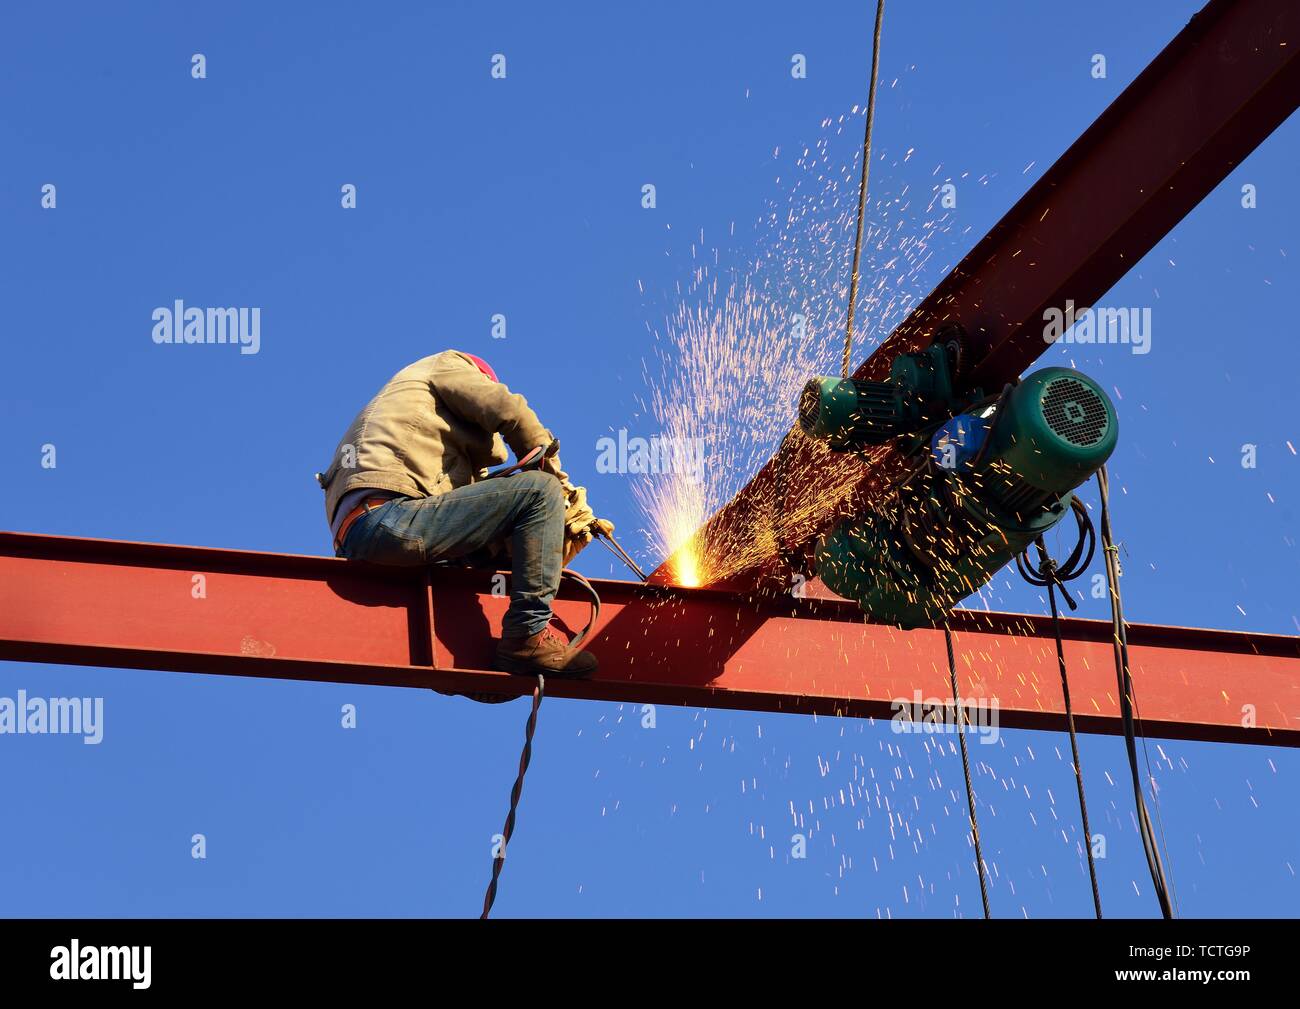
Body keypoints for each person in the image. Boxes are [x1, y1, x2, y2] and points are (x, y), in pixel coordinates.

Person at [316, 350, 605, 678]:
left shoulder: (422, 441)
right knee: (539, 491)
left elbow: (479, 516)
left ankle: (468, 667)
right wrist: (557, 482)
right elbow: (505, 407)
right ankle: (528, 634)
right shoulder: (450, 364)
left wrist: (551, 542)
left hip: (371, 534)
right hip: (388, 517)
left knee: (503, 542)